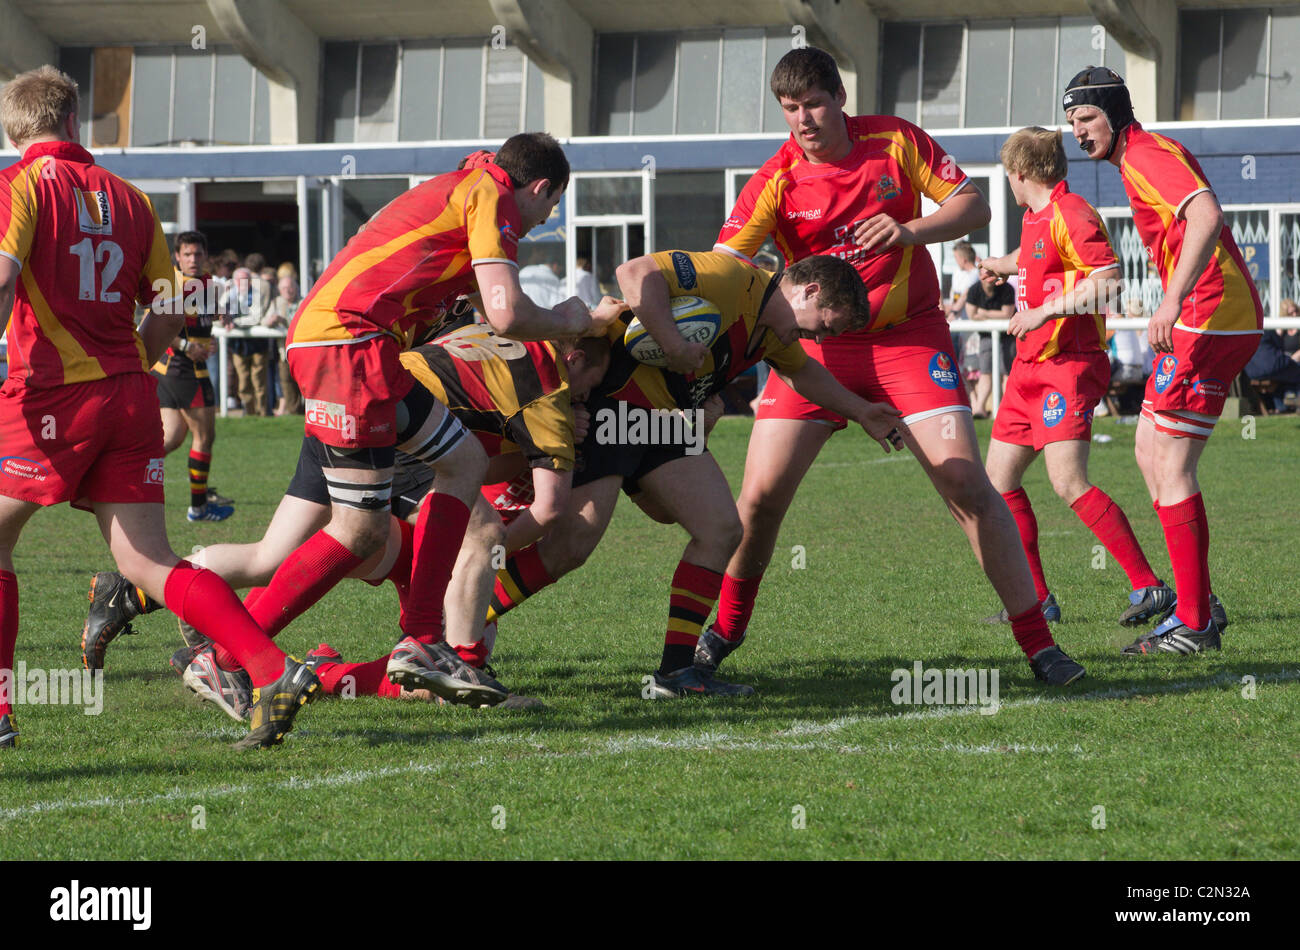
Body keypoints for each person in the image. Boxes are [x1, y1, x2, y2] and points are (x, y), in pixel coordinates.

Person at [708, 47, 1086, 685]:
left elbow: (976, 208)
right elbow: (725, 264)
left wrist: (910, 230)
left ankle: (1040, 646)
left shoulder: (895, 142)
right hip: (814, 351)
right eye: (790, 109)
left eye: (815, 104)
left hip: (909, 341)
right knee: (761, 497)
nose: (803, 120)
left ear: (840, 100)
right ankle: (720, 636)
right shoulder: (776, 178)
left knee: (967, 486)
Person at [0, 65, 317, 750]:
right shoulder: (132, 198)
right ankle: (272, 668)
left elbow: (1, 280)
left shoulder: (15, 186)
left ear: (15, 127)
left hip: (50, 397)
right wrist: (131, 367)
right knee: (148, 563)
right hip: (132, 394)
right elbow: (175, 308)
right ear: (75, 121)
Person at [79, 324, 610, 717]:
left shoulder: (485, 330)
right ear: (575, 358)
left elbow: (476, 444)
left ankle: (135, 589)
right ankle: (462, 668)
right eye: (590, 384)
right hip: (391, 422)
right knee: (477, 540)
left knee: (273, 557)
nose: (586, 397)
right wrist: (468, 561)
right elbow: (549, 508)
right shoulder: (548, 390)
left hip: (342, 399)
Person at [247, 133, 609, 706]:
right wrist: (573, 319)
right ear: (541, 188)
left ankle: (419, 639)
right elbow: (509, 314)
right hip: (350, 344)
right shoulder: (490, 196)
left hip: (362, 349)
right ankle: (229, 650)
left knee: (459, 467)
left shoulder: (462, 188)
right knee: (360, 533)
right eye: (551, 206)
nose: (544, 221)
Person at [484, 249, 905, 697]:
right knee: (570, 544)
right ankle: (457, 626)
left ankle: (676, 673)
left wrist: (862, 412)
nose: (818, 338)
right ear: (809, 291)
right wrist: (673, 345)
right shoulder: (731, 278)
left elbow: (804, 374)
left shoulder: (774, 335)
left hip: (661, 425)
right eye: (823, 325)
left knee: (721, 528)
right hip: (610, 405)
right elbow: (634, 272)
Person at [1064, 66, 1262, 654]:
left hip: (1211, 317)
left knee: (1172, 465)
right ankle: (1198, 600)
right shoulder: (1139, 155)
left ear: (1116, 113)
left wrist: (1171, 300)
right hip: (1208, 315)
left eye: (1087, 118)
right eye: (1072, 122)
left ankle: (1195, 624)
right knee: (1150, 449)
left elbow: (1207, 215)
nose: (1078, 132)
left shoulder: (1146, 153)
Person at [977, 126, 1168, 626]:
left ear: (1021, 174)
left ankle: (1149, 587)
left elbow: (1108, 281)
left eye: (1009, 176)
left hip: (1068, 364)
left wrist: (1044, 312)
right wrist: (1002, 264)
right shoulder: (1036, 215)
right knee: (998, 482)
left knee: (1067, 481)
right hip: (1028, 368)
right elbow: (1037, 258)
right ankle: (1038, 599)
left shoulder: (1073, 210)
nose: (1009, 185)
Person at [150, 230, 234, 522]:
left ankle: (122, 480)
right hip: (183, 370)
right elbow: (155, 324)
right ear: (177, 257)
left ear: (206, 256)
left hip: (170, 371)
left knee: (170, 438)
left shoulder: (206, 283)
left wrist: (222, 315)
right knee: (205, 436)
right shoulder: (172, 285)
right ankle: (199, 508)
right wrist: (188, 345)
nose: (193, 259)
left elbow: (203, 316)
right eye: (187, 254)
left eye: (197, 254)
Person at [961, 268, 1016, 418]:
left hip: (1007, 335)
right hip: (985, 336)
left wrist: (984, 314)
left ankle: (1009, 409)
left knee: (1007, 373)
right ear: (980, 276)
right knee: (985, 372)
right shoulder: (974, 289)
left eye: (991, 274)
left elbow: (1007, 314)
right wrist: (994, 316)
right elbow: (972, 314)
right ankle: (980, 409)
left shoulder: (1006, 288)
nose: (988, 277)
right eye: (985, 274)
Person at [225, 263, 274, 416]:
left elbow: (255, 318)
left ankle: (263, 413)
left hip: (258, 344)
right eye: (239, 280)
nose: (243, 283)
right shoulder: (229, 294)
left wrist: (235, 322)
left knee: (259, 381)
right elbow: (219, 312)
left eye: (246, 280)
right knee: (243, 382)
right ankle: (250, 413)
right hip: (238, 345)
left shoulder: (257, 294)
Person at [267, 273, 302, 415]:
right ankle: (295, 413)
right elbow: (264, 320)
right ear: (280, 290)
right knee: (286, 382)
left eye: (291, 287)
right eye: (284, 288)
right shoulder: (276, 302)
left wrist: (285, 322)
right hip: (284, 352)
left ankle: (308, 412)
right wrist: (272, 320)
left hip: (302, 353)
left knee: (303, 383)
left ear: (296, 288)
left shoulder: (304, 302)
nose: (288, 290)